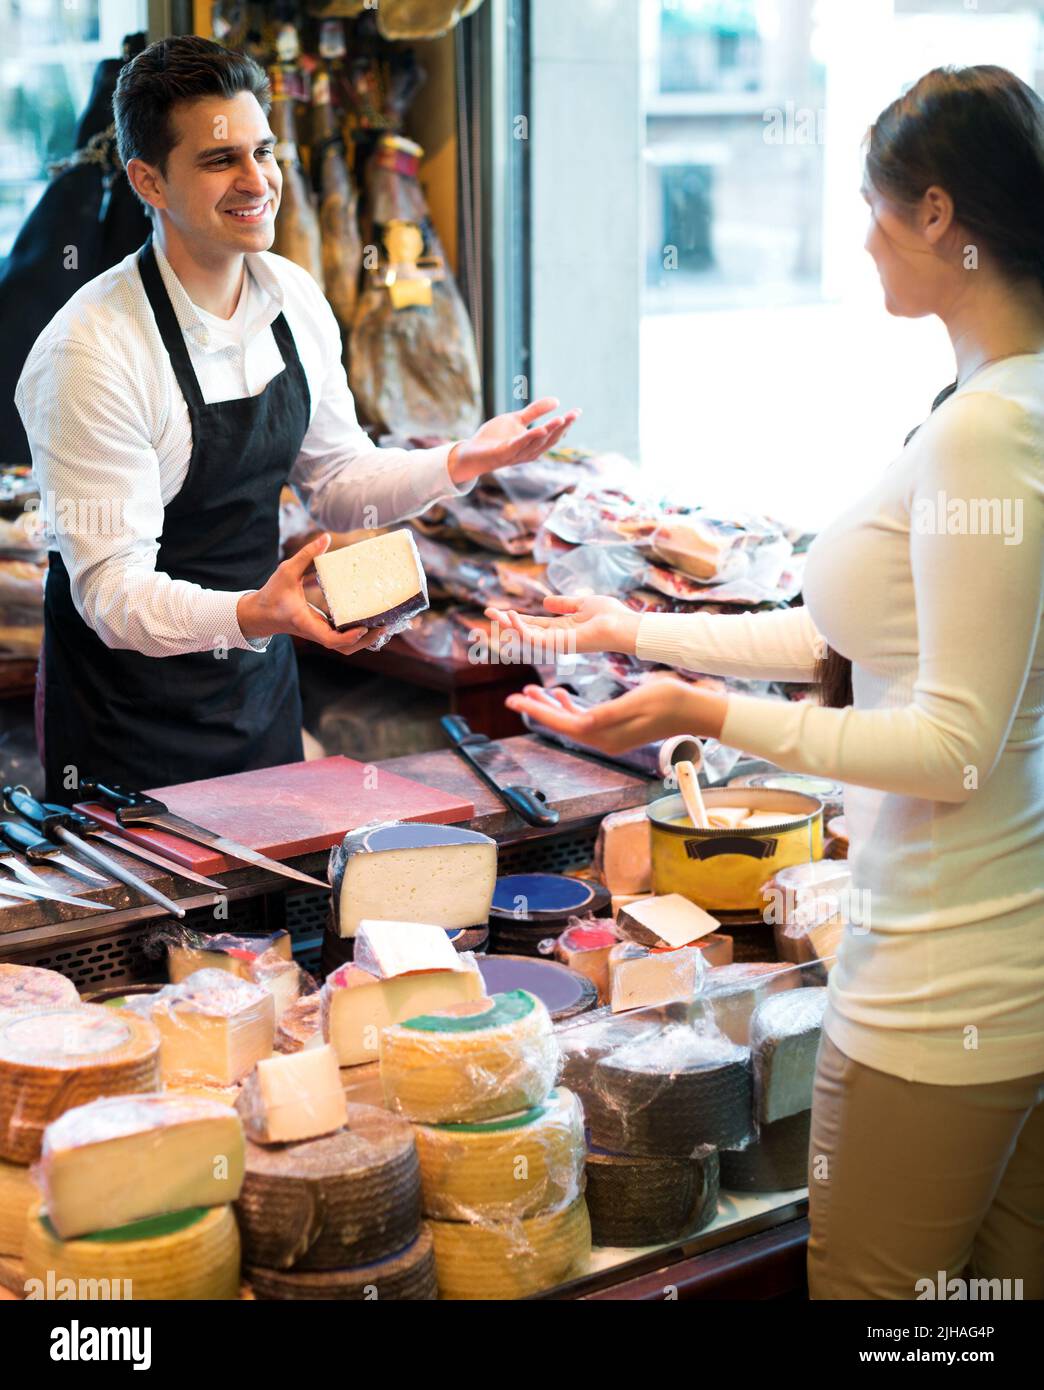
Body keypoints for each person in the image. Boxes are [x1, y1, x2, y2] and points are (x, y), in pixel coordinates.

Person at [494, 65, 1044, 1300]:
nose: (861, 235)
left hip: (943, 986)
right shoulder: (1004, 403)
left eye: (875, 204)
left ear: (943, 214)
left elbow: (954, 743)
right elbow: (852, 634)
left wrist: (705, 718)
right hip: (1003, 966)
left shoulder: (988, 430)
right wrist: (639, 633)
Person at [15, 35, 578, 802]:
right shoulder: (92, 350)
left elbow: (340, 482)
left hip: (257, 690)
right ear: (148, 180)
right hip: (126, 720)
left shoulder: (294, 299)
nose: (258, 181)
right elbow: (113, 595)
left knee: (279, 915)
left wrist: (461, 462)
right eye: (221, 161)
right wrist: (255, 610)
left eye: (265, 151)